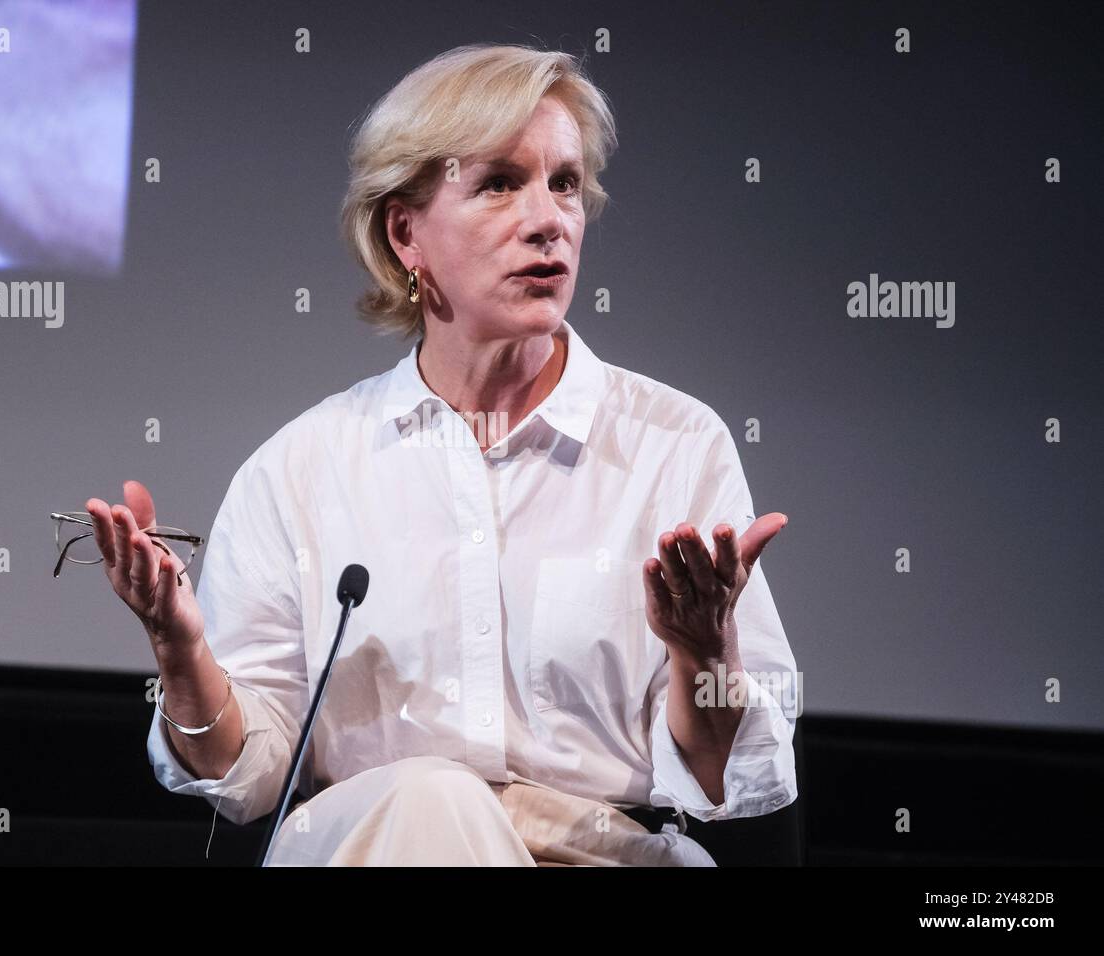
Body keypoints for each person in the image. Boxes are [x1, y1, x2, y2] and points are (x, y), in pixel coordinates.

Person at [86, 43, 799, 866]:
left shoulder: (675, 446)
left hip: (602, 851)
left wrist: (706, 651)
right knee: (434, 801)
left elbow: (720, 780)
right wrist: (179, 654)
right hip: (371, 843)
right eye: (499, 183)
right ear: (405, 233)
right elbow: (240, 778)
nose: (548, 219)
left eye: (564, 183)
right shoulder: (301, 471)